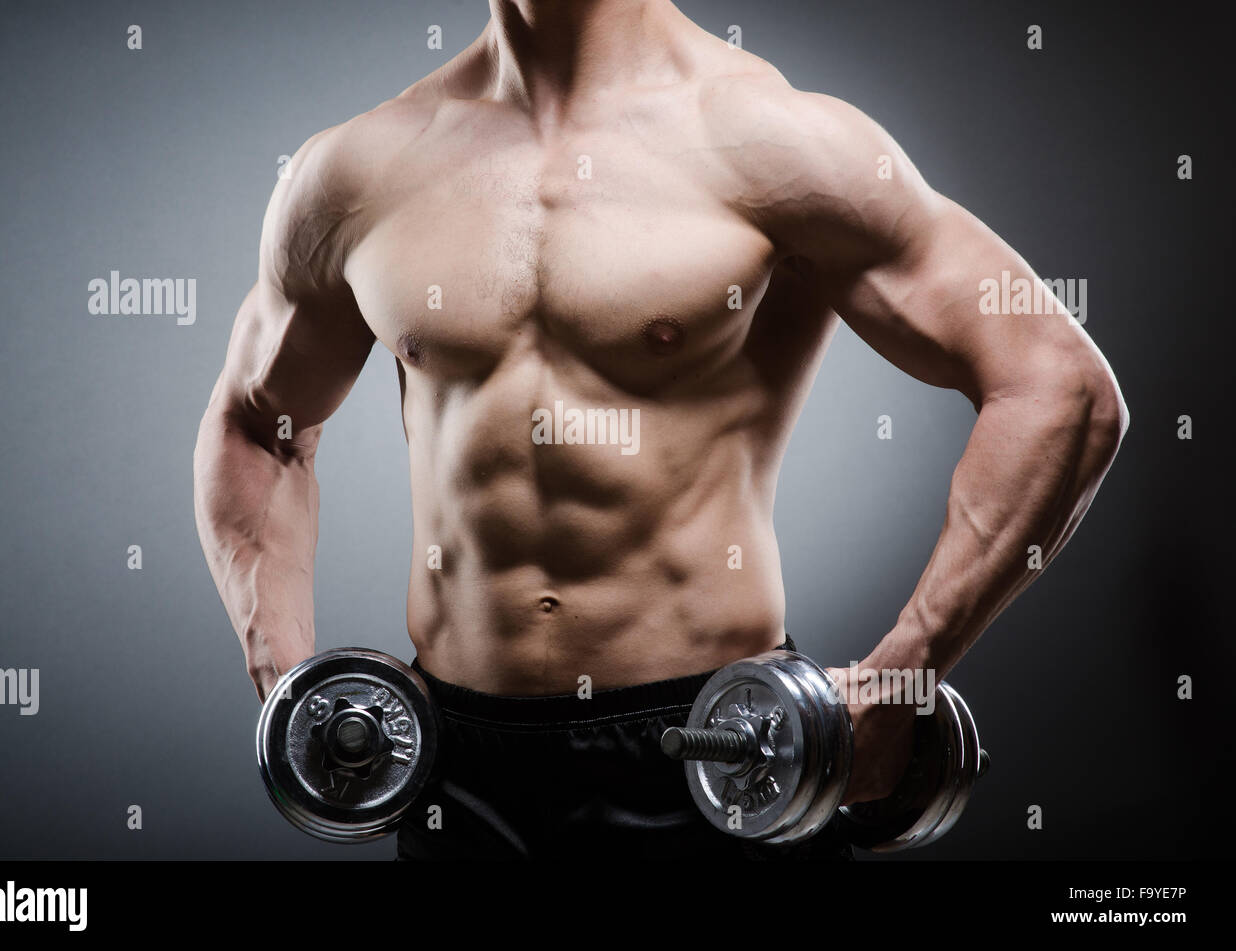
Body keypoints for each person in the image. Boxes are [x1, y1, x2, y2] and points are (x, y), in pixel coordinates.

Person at [193, 0, 1127, 859]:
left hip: (719, 750)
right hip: (458, 763)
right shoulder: (361, 169)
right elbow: (255, 425)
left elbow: (1059, 389)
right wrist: (289, 683)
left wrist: (904, 667)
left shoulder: (773, 142)